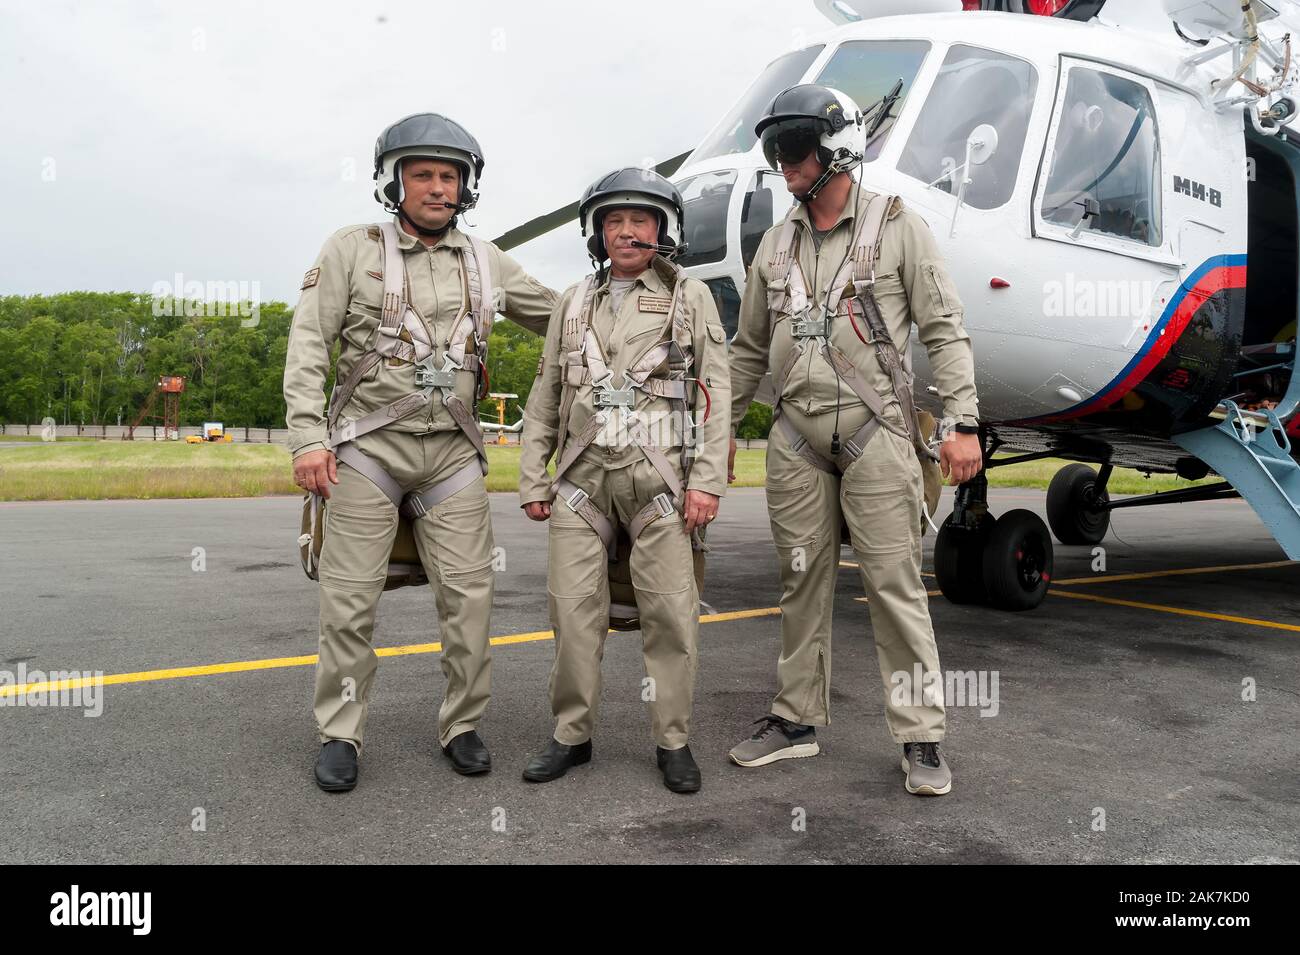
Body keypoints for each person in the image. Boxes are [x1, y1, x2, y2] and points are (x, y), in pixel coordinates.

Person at [284, 112, 557, 791]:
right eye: (424, 174)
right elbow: (309, 345)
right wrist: (306, 438)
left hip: (452, 456)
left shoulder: (486, 260)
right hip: (365, 451)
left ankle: (462, 724)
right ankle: (340, 732)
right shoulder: (351, 249)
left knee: (471, 601)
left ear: (467, 187)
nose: (439, 187)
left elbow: (564, 315)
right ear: (393, 181)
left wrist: (649, 306)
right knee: (348, 603)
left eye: (450, 176)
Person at [725, 85, 983, 796]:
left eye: (795, 146)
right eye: (776, 149)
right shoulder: (775, 244)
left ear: (835, 146)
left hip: (878, 436)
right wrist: (715, 434)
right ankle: (795, 720)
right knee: (799, 584)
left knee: (895, 587)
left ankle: (921, 735)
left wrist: (960, 423)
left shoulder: (899, 227)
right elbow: (746, 350)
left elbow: (944, 330)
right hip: (795, 440)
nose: (783, 163)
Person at [517, 168, 731, 793]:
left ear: (663, 230)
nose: (628, 232)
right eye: (615, 221)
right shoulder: (573, 300)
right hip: (581, 485)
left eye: (641, 220)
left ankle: (673, 741)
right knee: (572, 617)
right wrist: (534, 477)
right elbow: (546, 395)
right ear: (597, 232)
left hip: (660, 484)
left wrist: (707, 482)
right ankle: (571, 736)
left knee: (671, 618)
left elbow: (714, 396)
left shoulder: (690, 297)